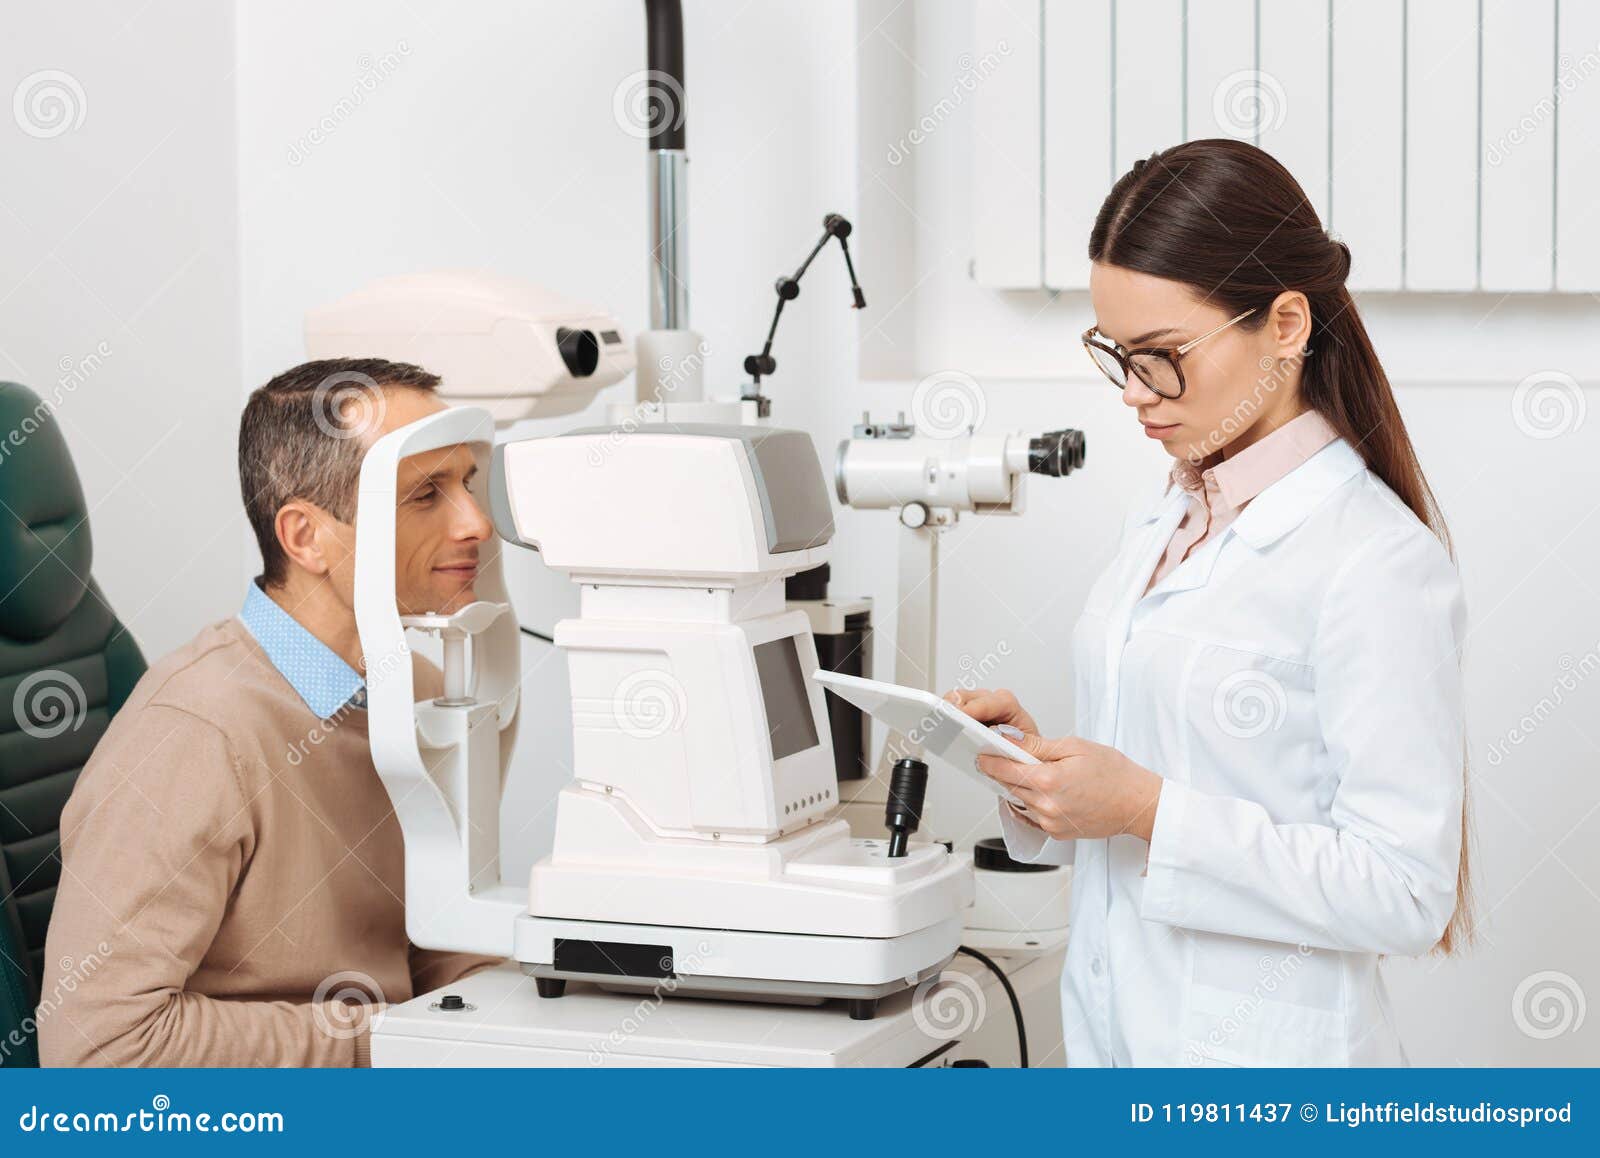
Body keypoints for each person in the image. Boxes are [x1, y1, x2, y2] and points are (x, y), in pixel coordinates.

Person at [949, 139, 1470, 1067]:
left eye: (1163, 357)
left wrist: (1148, 808)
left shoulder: (1375, 560)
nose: (1136, 396)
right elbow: (1161, 786)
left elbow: (1403, 889)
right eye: (1117, 356)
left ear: (1285, 325)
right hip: (1118, 1048)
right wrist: (1047, 783)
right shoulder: (1170, 514)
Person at [40, 358, 502, 1066]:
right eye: (425, 496)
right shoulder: (195, 735)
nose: (476, 522)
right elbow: (99, 1051)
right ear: (306, 537)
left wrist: (522, 1026)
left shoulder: (418, 689)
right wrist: (396, 1041)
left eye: (467, 483)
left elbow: (442, 952)